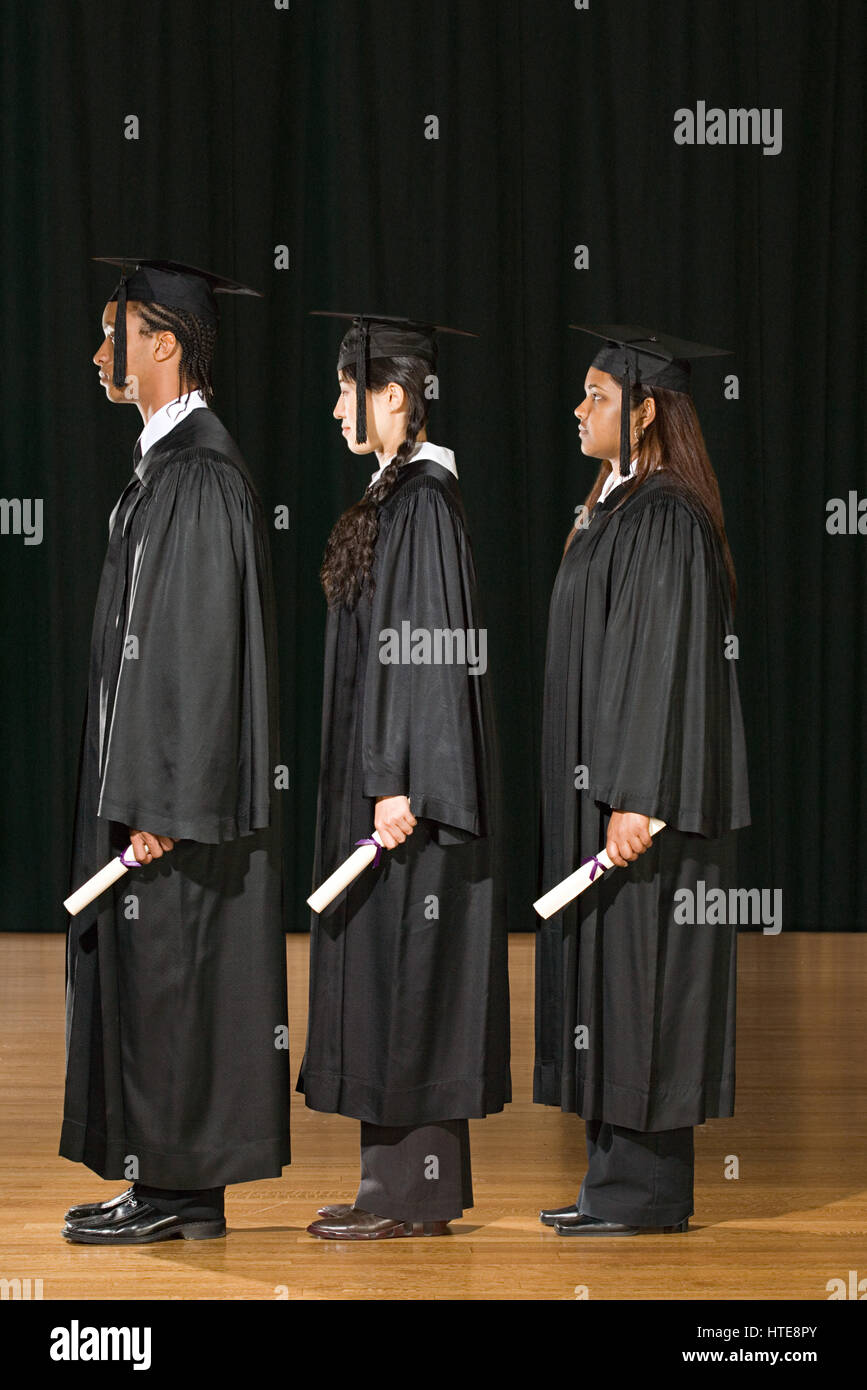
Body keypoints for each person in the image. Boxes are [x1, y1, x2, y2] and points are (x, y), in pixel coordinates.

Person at [60, 258, 290, 1246]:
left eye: (115, 333)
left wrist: (162, 798)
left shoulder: (198, 474)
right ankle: (156, 1181)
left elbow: (197, 655)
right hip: (150, 797)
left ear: (164, 343)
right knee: (149, 985)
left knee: (179, 983)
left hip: (174, 810)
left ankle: (182, 1196)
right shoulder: (169, 465)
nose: (100, 351)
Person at [299, 312, 510, 1240]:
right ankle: (398, 1191)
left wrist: (394, 781)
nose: (336, 403)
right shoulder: (400, 497)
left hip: (405, 797)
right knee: (389, 977)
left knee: (410, 977)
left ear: (393, 396)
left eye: (349, 387)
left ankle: (408, 1197)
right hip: (394, 786)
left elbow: (419, 653)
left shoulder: (421, 503)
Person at [535, 324, 750, 1237]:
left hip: (640, 812)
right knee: (608, 988)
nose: (579, 408)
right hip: (602, 800)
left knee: (644, 987)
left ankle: (644, 1194)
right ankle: (608, 1182)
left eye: (597, 394)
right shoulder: (613, 507)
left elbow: (661, 665)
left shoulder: (664, 515)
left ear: (646, 410)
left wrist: (635, 791)